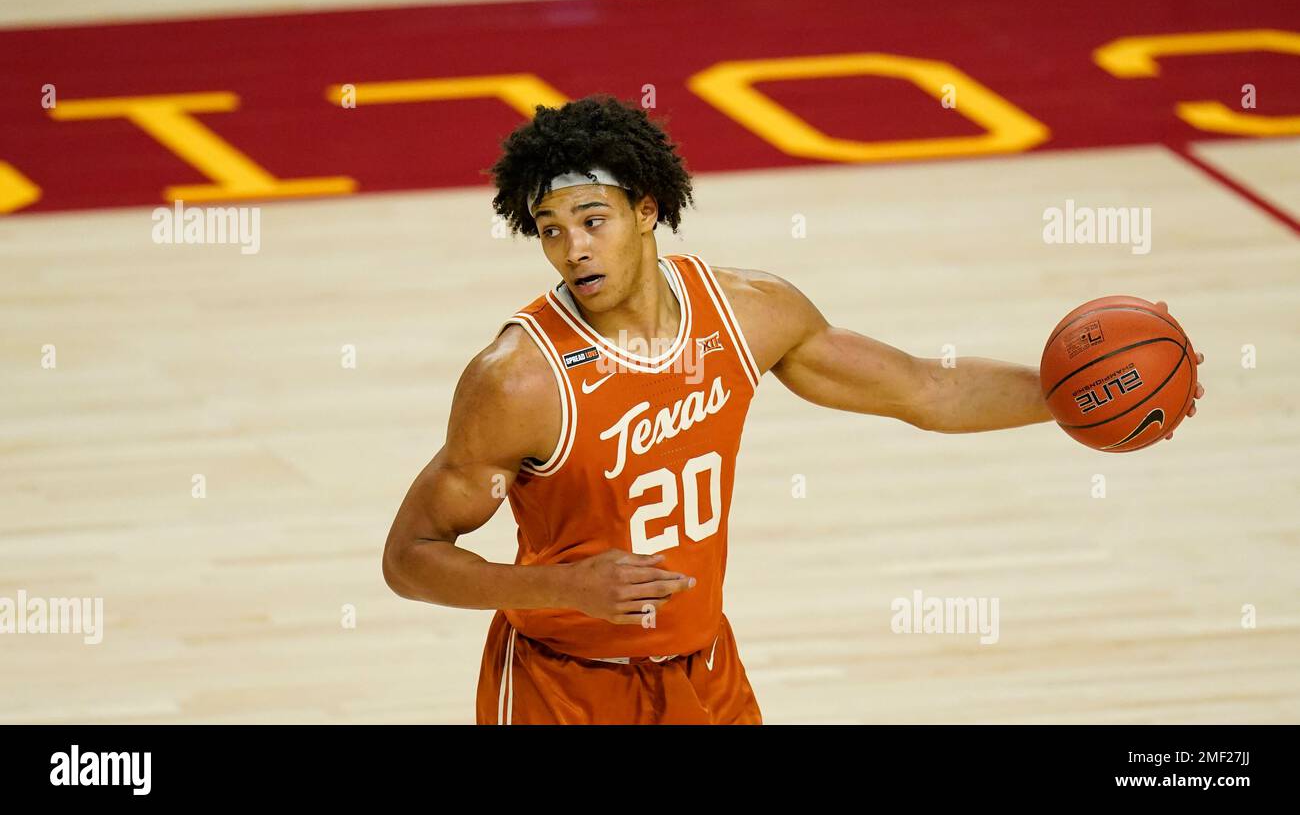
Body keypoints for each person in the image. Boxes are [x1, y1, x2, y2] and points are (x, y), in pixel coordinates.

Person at [381, 95, 1204, 724]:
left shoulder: (749, 314)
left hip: (705, 669)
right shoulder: (518, 377)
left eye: (592, 220)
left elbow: (926, 387)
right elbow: (410, 556)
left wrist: (1082, 398)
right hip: (564, 687)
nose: (574, 248)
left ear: (646, 211)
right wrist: (560, 585)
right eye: (551, 230)